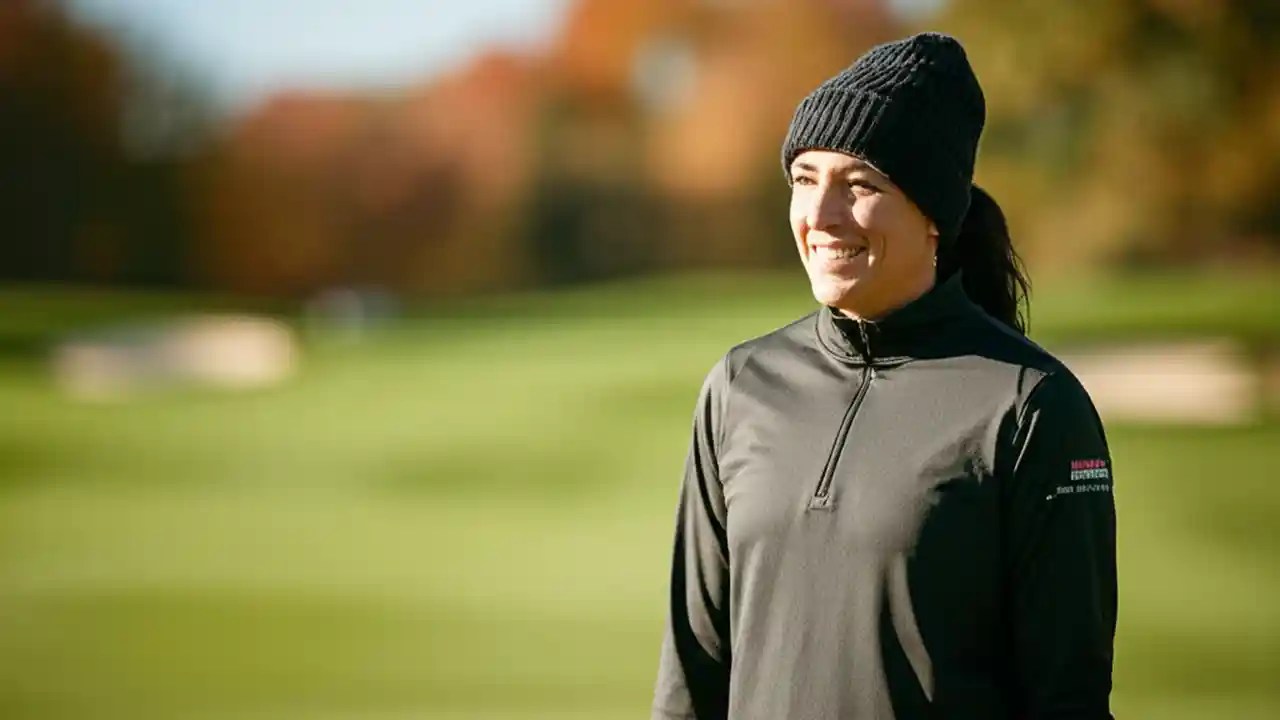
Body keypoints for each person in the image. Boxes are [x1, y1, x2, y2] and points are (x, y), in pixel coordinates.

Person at [652, 33, 1117, 720]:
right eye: (804, 179)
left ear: (934, 216)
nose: (820, 215)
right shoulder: (740, 385)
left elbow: (1066, 701)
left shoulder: (1031, 407)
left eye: (860, 185)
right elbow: (691, 678)